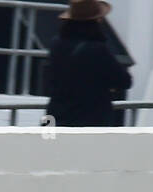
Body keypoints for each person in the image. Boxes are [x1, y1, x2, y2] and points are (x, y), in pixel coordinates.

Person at [45, 0, 132, 128]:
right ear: (95, 21)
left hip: (55, 118)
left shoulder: (56, 44)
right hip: (89, 120)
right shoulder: (97, 49)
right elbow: (124, 81)